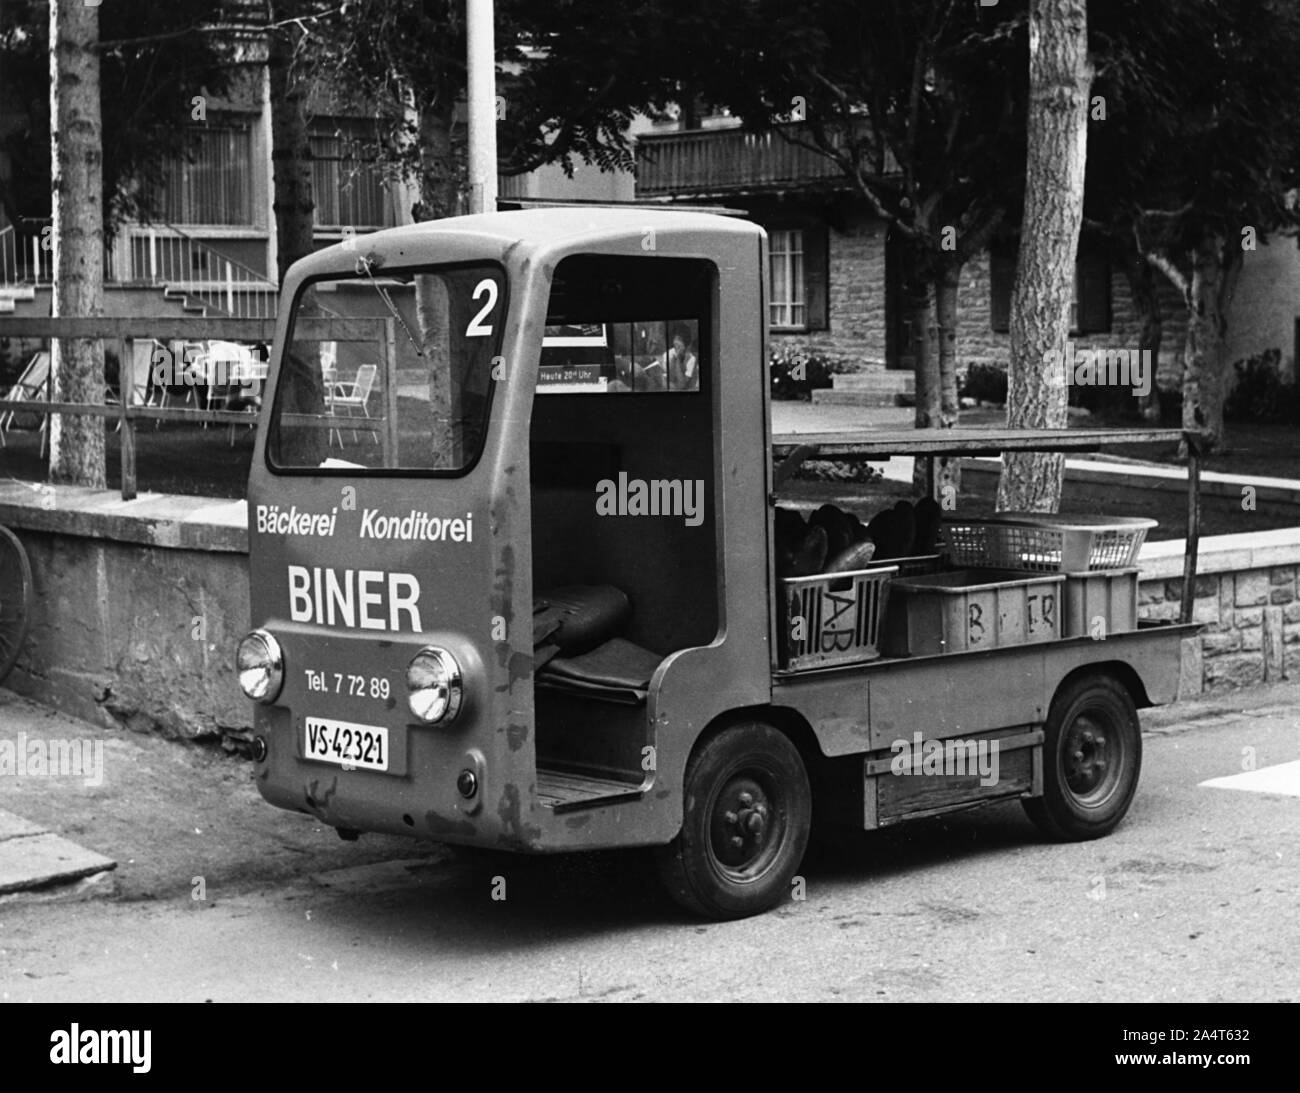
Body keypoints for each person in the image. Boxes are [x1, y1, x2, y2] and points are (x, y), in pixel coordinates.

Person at [663, 325, 699, 391]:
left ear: (686, 342)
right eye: (675, 339)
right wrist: (674, 360)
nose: (676, 342)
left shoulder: (691, 359)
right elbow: (670, 379)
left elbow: (682, 385)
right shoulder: (668, 354)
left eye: (679, 339)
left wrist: (678, 360)